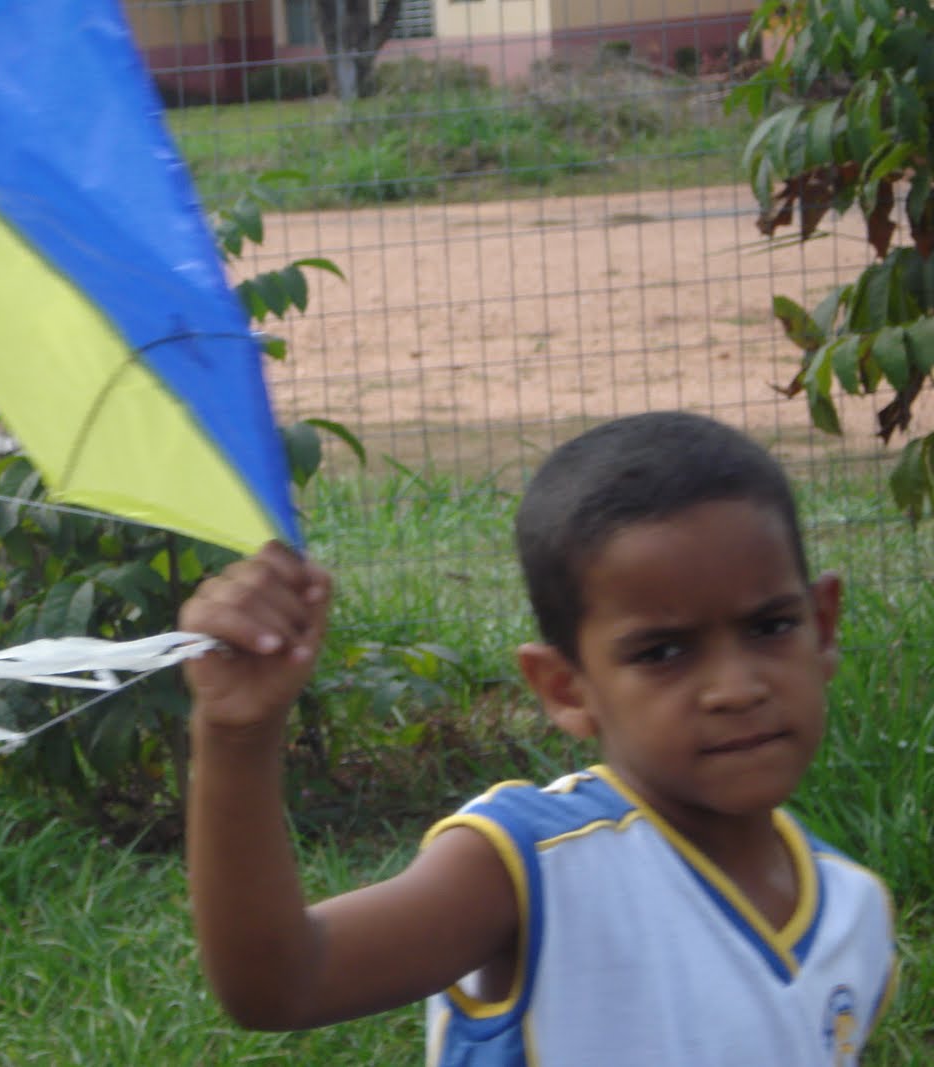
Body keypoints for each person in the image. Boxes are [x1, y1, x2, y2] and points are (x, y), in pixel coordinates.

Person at [180, 411, 897, 1065]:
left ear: (823, 624)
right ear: (564, 687)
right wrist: (236, 737)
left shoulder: (851, 909)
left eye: (770, 627)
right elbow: (280, 983)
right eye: (662, 652)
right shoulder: (527, 868)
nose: (735, 687)